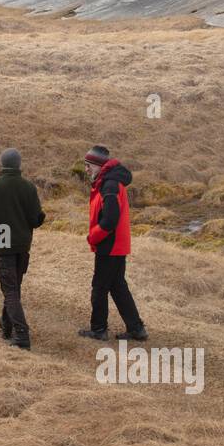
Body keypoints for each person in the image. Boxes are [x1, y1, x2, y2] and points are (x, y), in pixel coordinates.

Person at [0, 148, 45, 350]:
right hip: (23, 244)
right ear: (19, 165)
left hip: (4, 245)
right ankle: (6, 326)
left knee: (10, 290)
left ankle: (21, 334)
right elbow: (36, 219)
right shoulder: (29, 187)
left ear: (1, 164)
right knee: (13, 288)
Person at [78, 145, 148, 342]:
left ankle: (98, 329)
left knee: (99, 286)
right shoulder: (109, 181)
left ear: (100, 165)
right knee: (117, 285)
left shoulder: (109, 185)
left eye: (89, 165)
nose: (86, 169)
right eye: (85, 165)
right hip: (117, 244)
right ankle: (136, 329)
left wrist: (93, 236)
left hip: (110, 244)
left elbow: (110, 220)